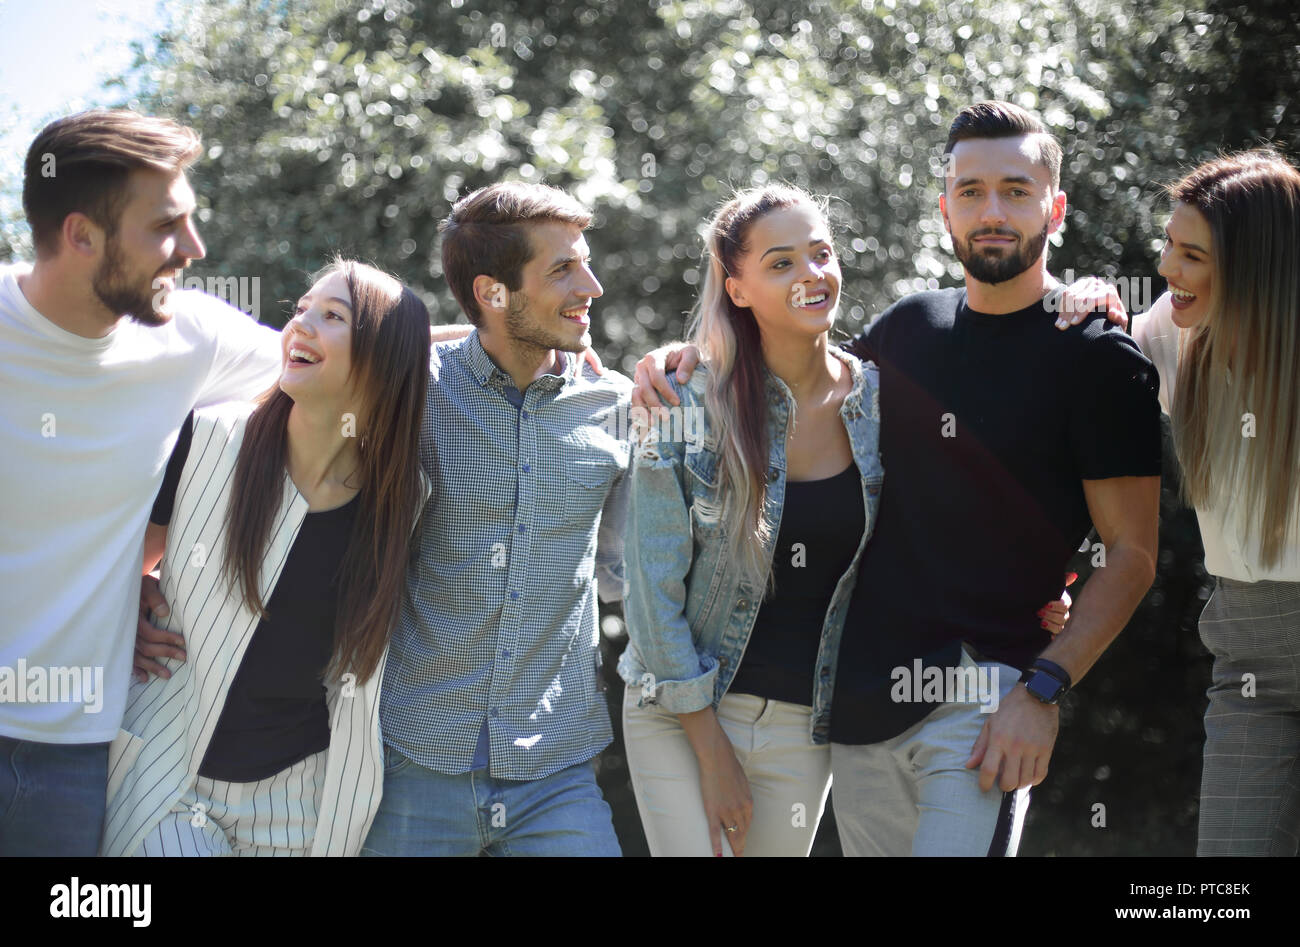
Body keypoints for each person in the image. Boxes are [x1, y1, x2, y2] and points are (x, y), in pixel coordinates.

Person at [635, 102, 1162, 856]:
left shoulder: (1101, 358)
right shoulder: (905, 332)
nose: (992, 211)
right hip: (857, 704)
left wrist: (1043, 687)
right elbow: (791, 371)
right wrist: (677, 359)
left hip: (985, 701)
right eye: (971, 191)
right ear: (945, 206)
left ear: (1056, 207)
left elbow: (1133, 556)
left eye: (1017, 190)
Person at [0, 109, 282, 856]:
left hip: (75, 757)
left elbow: (359, 353)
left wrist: (537, 351)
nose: (194, 249)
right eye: (165, 228)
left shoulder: (190, 336)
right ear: (81, 235)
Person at [100, 259, 430, 856]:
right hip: (167, 778)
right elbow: (118, 563)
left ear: (382, 357)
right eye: (301, 309)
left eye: (331, 316)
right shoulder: (207, 440)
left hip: (297, 803)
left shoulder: (401, 502)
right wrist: (131, 598)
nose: (300, 324)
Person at [360, 182, 634, 857]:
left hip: (558, 769)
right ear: (493, 292)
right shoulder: (409, 394)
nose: (591, 285)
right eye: (563, 270)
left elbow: (632, 576)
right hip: (414, 760)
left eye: (586, 261)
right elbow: (292, 361)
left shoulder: (619, 405)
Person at [1129, 149, 1300, 856]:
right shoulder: (1170, 333)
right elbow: (1084, 364)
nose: (1168, 268)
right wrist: (1080, 304)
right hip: (1247, 657)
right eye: (1168, 244)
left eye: (1191, 253)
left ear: (1255, 267)